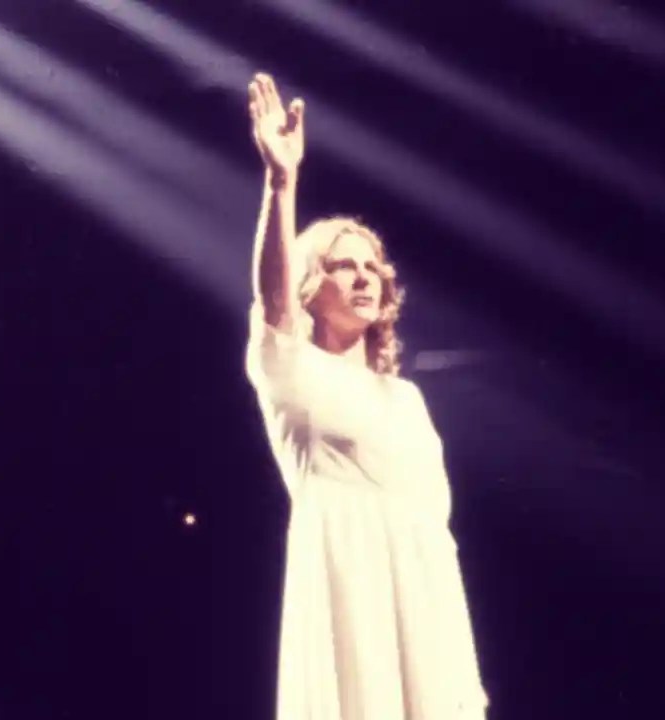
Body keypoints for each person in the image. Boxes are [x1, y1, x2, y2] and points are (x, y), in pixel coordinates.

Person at [245, 72, 490, 719]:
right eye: (343, 265)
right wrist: (281, 182)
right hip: (349, 593)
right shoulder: (292, 370)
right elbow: (273, 300)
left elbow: (431, 526)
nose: (365, 277)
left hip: (426, 601)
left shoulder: (407, 398)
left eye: (372, 267)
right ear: (311, 284)